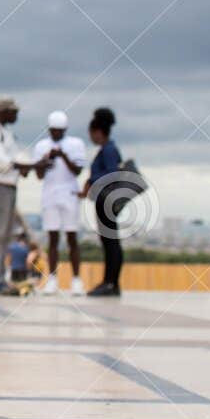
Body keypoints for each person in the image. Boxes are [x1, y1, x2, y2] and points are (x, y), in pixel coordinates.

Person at [0, 97, 34, 292]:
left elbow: (15, 158)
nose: (16, 115)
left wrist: (29, 165)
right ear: (3, 111)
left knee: (5, 235)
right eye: (14, 112)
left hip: (9, 185)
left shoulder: (7, 133)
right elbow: (0, 163)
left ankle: (1, 276)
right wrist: (26, 165)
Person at [33, 110, 87, 295]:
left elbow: (77, 171)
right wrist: (46, 159)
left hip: (69, 193)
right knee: (53, 239)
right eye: (54, 130)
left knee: (72, 238)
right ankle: (52, 280)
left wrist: (62, 155)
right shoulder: (41, 147)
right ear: (49, 129)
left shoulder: (75, 144)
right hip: (50, 194)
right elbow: (39, 175)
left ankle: (76, 280)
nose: (57, 134)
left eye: (60, 131)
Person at [84, 107, 124, 297]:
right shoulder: (108, 149)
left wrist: (91, 180)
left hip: (106, 199)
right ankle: (110, 282)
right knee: (110, 241)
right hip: (105, 199)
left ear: (98, 132)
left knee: (110, 242)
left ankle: (110, 282)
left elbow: (112, 172)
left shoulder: (108, 150)